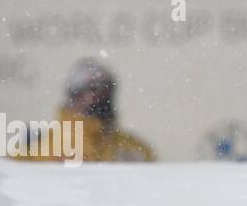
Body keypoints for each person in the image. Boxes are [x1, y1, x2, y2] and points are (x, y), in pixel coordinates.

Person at [17, 59, 156, 163]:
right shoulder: (34, 145)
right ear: (74, 95)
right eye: (94, 89)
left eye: (108, 89)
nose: (103, 97)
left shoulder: (133, 149)